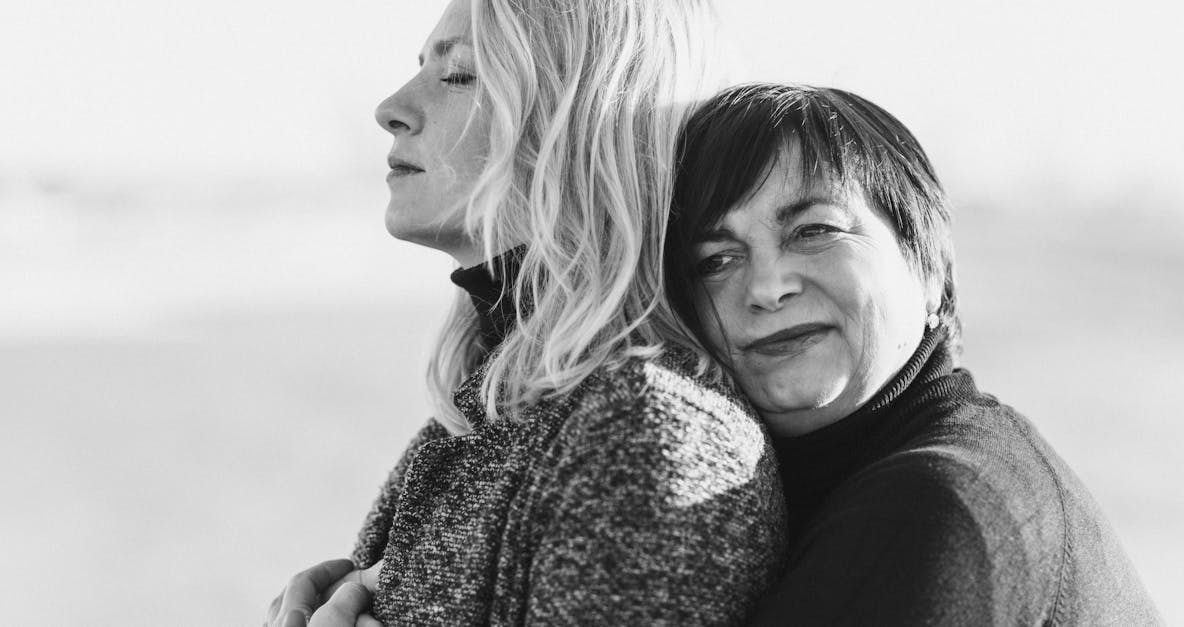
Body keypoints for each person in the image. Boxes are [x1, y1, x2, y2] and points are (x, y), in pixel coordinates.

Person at [265, 2, 786, 625]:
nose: (391, 108)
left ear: (581, 120)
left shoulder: (641, 434)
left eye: (459, 74)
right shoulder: (482, 413)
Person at [664, 82, 1163, 624]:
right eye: (716, 260)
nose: (765, 286)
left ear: (929, 270)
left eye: (814, 231)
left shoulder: (931, 507)